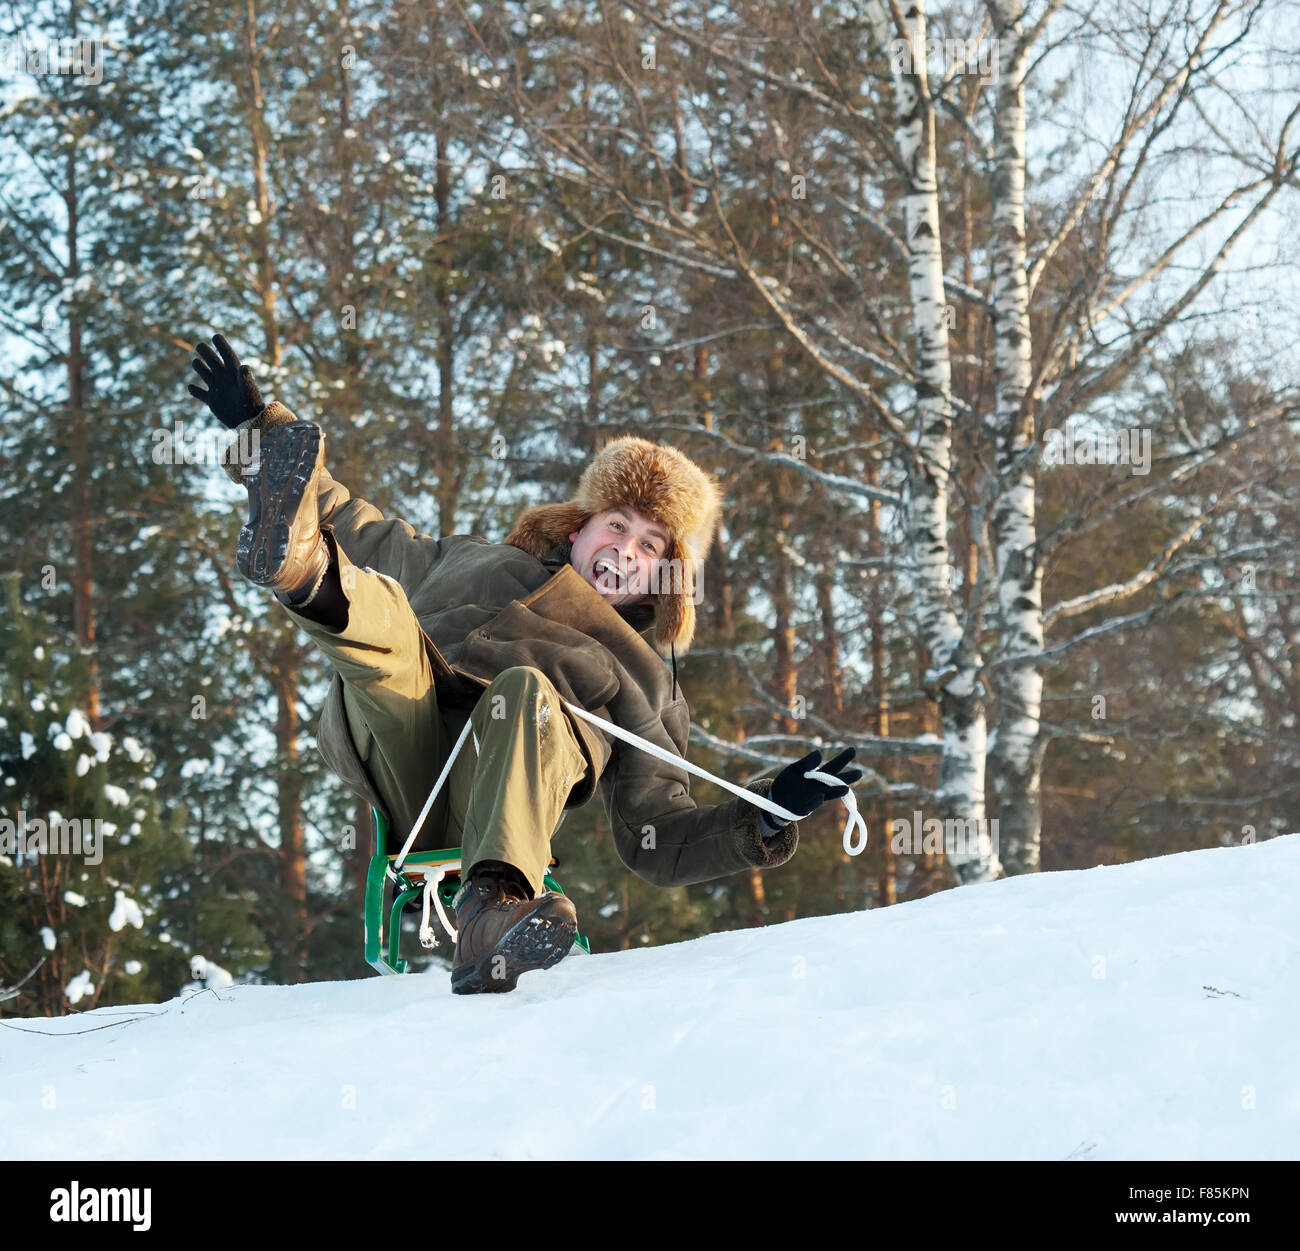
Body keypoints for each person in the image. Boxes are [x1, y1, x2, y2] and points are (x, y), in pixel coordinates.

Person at [188, 333, 861, 993]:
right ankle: (298, 564)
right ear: (578, 528)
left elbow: (657, 835)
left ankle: (491, 908)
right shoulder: (472, 561)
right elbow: (353, 519)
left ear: (663, 580)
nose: (627, 549)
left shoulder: (644, 676)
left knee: (525, 690)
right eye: (618, 525)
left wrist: (764, 814)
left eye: (652, 545)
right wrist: (255, 423)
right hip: (403, 746)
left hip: (498, 802)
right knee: (391, 629)